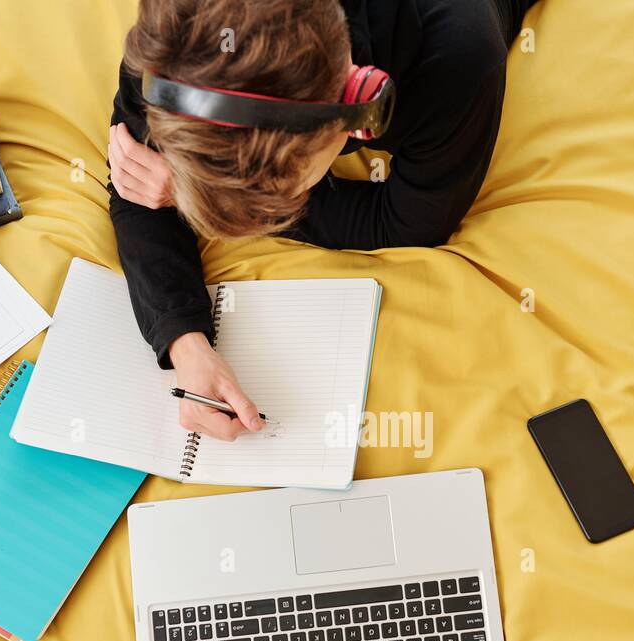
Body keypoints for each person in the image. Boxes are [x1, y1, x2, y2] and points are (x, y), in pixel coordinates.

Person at [109, 0, 535, 440]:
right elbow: (133, 184)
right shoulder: (176, 43)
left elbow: (402, 223)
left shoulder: (457, 56)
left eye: (285, 195)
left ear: (360, 101)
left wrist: (188, 192)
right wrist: (184, 341)